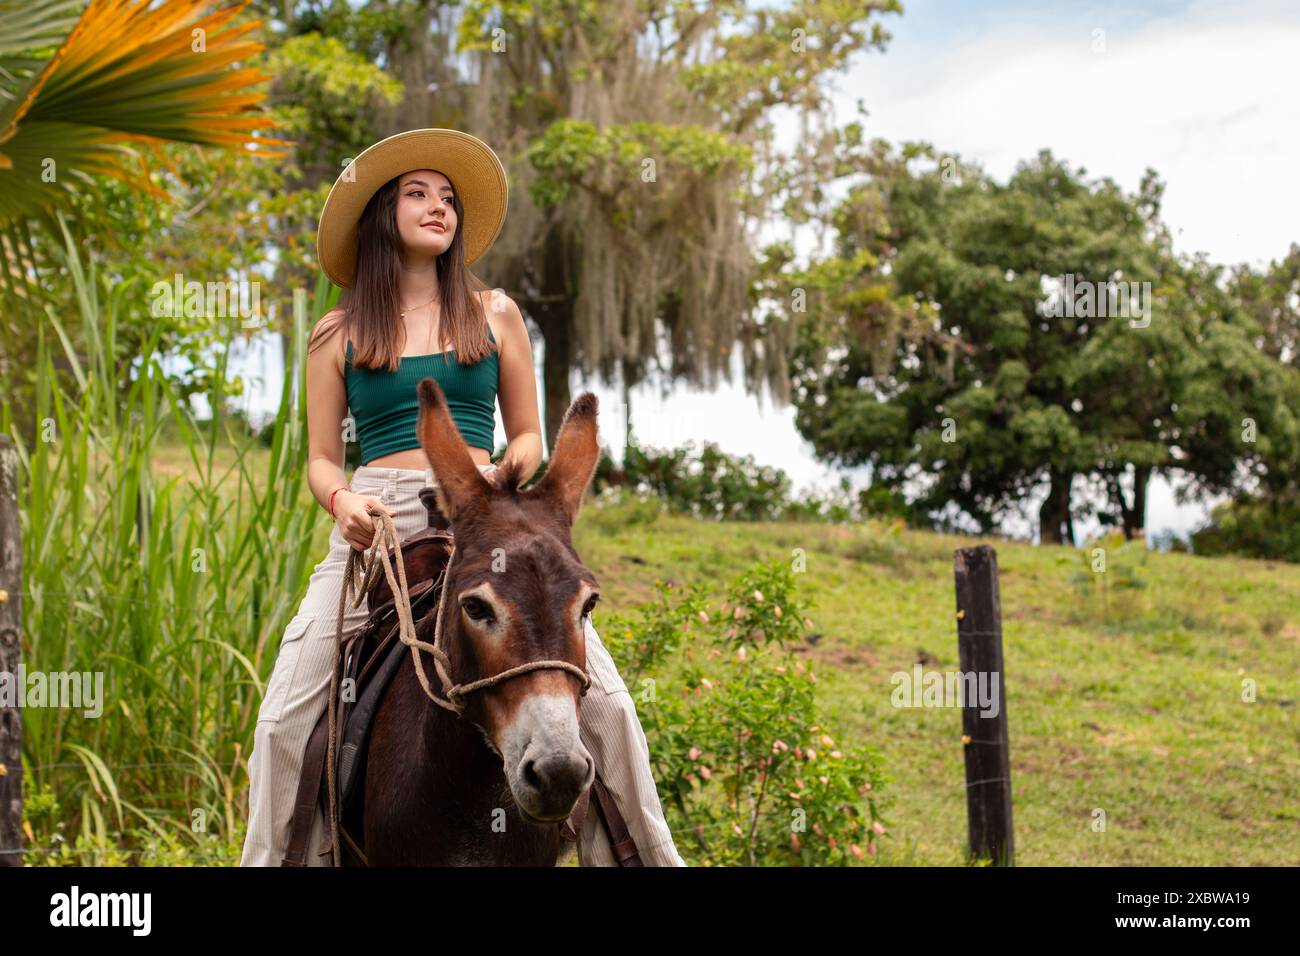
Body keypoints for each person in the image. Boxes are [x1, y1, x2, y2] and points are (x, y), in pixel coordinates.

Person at [240, 128, 685, 867]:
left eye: (447, 197)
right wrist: (343, 503)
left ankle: (651, 861)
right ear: (382, 213)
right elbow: (321, 457)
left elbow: (532, 437)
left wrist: (505, 476)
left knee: (606, 704)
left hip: (490, 518)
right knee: (285, 715)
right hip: (379, 521)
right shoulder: (337, 332)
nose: (438, 205)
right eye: (417, 192)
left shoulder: (497, 312)